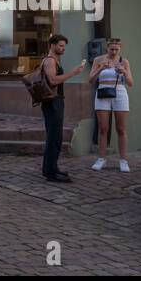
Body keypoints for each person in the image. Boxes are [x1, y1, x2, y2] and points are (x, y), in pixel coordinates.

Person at [38, 34, 87, 182]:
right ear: (52, 45)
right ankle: (51, 173)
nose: (63, 49)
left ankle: (50, 169)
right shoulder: (50, 61)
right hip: (52, 102)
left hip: (55, 101)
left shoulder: (53, 61)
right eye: (60, 46)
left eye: (64, 46)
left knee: (54, 137)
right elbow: (53, 80)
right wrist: (74, 72)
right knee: (54, 137)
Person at [88, 38, 133, 172]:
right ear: (107, 48)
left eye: (116, 49)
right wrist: (100, 69)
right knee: (103, 128)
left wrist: (124, 72)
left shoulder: (124, 61)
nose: (114, 51)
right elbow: (90, 80)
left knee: (121, 128)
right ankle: (101, 159)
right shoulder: (98, 60)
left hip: (119, 92)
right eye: (111, 49)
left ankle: (123, 161)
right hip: (102, 91)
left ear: (120, 48)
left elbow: (130, 83)